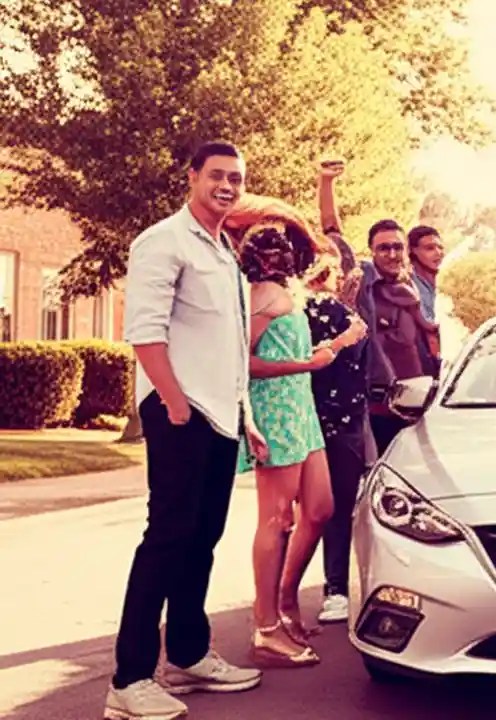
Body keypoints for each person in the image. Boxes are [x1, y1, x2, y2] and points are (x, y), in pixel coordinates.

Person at [108, 141, 266, 720]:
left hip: (220, 416)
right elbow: (145, 332)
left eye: (237, 178)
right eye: (217, 175)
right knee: (168, 538)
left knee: (204, 537)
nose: (227, 185)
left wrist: (244, 417)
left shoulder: (226, 252)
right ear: (193, 176)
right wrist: (174, 405)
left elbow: (225, 347)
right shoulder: (163, 241)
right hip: (182, 412)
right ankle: (128, 680)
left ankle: (190, 653)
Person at [237, 221, 358, 668]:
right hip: (277, 413)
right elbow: (241, 362)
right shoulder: (262, 294)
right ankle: (265, 629)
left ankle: (286, 601)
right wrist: (306, 363)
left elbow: (291, 355)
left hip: (302, 411)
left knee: (321, 508)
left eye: (284, 247)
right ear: (256, 256)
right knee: (275, 519)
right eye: (270, 249)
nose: (280, 254)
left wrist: (329, 350)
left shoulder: (285, 293)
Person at [310, 158, 374, 625]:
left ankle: (336, 587)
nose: (333, 265)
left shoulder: (359, 289)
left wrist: (327, 183)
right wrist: (324, 181)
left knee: (339, 506)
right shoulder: (302, 308)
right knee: (308, 509)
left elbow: (332, 227)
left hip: (352, 417)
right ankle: (288, 595)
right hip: (311, 414)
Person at [359, 219, 438, 454]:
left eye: (398, 247)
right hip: (384, 410)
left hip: (422, 405)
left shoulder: (411, 290)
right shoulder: (366, 291)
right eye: (384, 248)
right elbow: (333, 236)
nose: (392, 254)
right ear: (371, 251)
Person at [407, 224, 445, 374]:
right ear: (413, 251)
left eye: (440, 248)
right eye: (430, 248)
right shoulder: (410, 284)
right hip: (424, 363)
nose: (438, 253)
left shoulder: (444, 282)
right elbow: (430, 325)